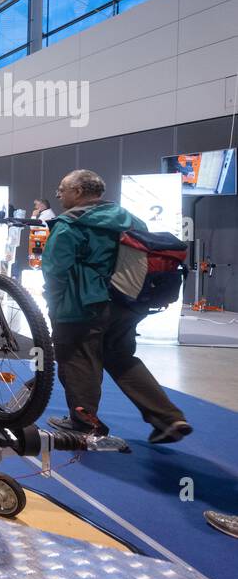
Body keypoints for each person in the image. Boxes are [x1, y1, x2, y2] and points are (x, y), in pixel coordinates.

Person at [41, 169, 191, 443]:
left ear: (78, 192)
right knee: (121, 358)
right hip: (129, 301)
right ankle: (169, 417)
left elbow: (54, 269)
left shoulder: (70, 224)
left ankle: (84, 423)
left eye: (62, 189)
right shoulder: (130, 219)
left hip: (82, 305)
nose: (59, 194)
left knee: (77, 359)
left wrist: (54, 303)